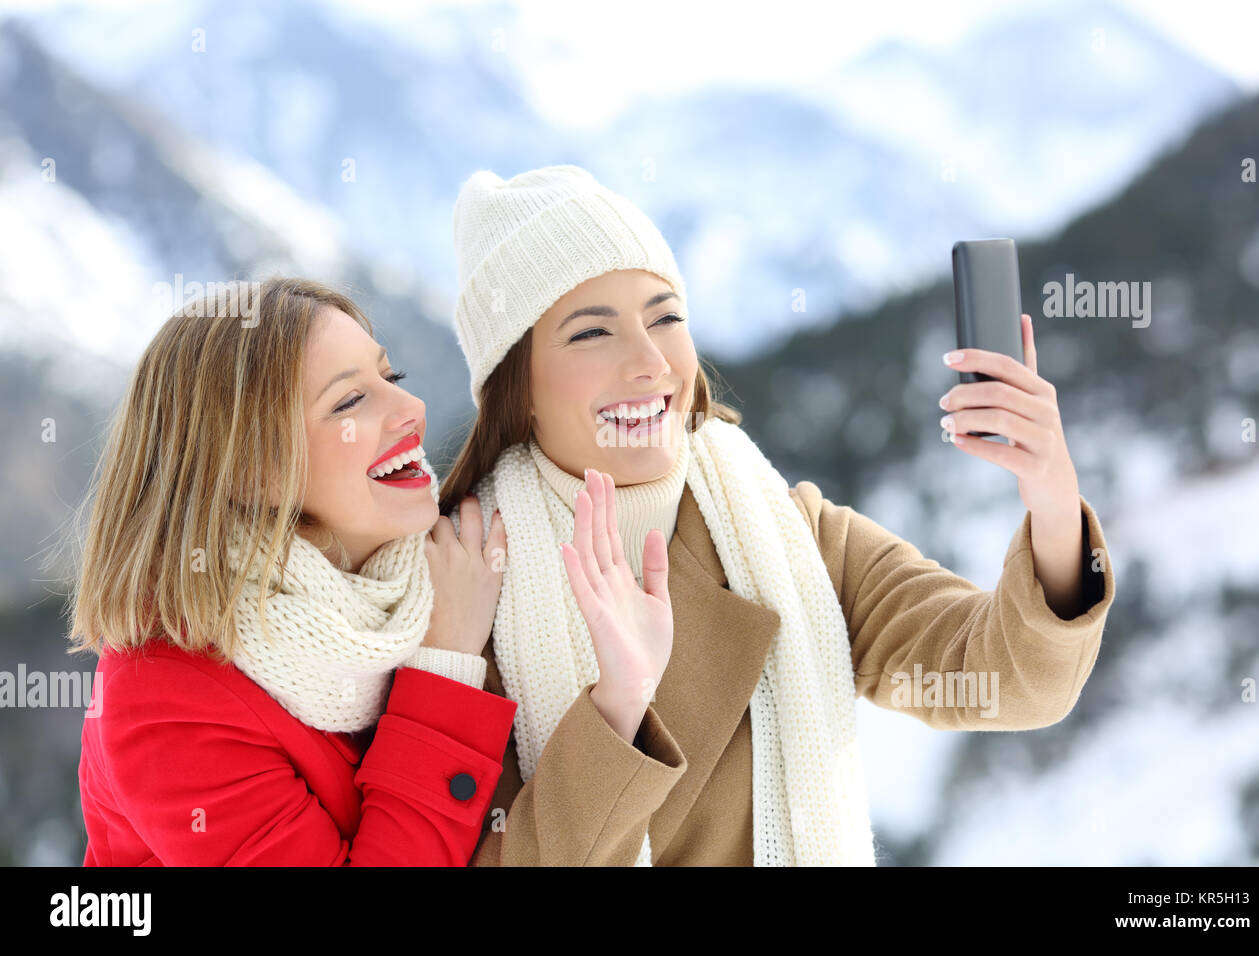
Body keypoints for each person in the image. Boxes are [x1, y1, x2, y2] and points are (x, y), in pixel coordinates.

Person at [436, 165, 1118, 866]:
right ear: (516, 389)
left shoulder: (792, 540)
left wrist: (1053, 499)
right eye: (590, 334)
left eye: (665, 317)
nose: (650, 362)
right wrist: (619, 704)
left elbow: (1010, 679)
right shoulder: (466, 590)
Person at [70, 277, 514, 865]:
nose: (413, 409)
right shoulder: (162, 694)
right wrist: (445, 674)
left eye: (392, 378)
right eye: (350, 402)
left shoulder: (423, 580)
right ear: (248, 471)